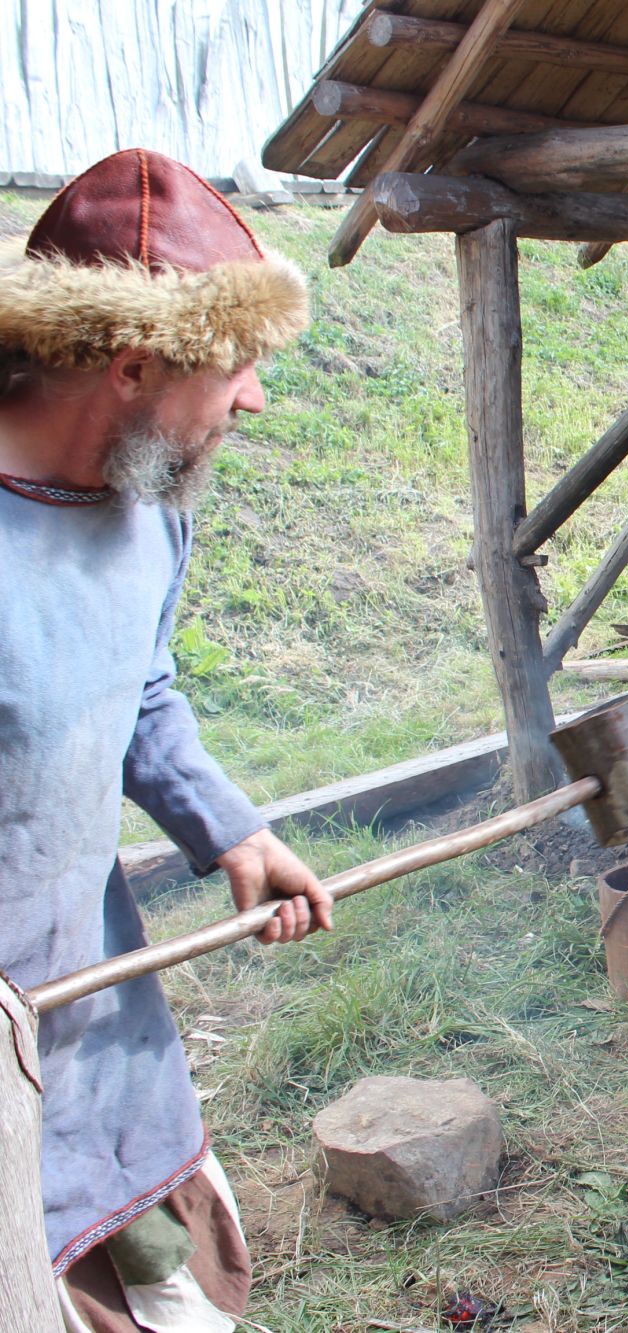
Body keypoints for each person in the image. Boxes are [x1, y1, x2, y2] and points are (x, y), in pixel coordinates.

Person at [0, 148, 332, 1330]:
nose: (254, 398)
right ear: (132, 364)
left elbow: (140, 688)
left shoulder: (147, 507)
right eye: (237, 366)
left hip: (96, 1014)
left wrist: (231, 828)